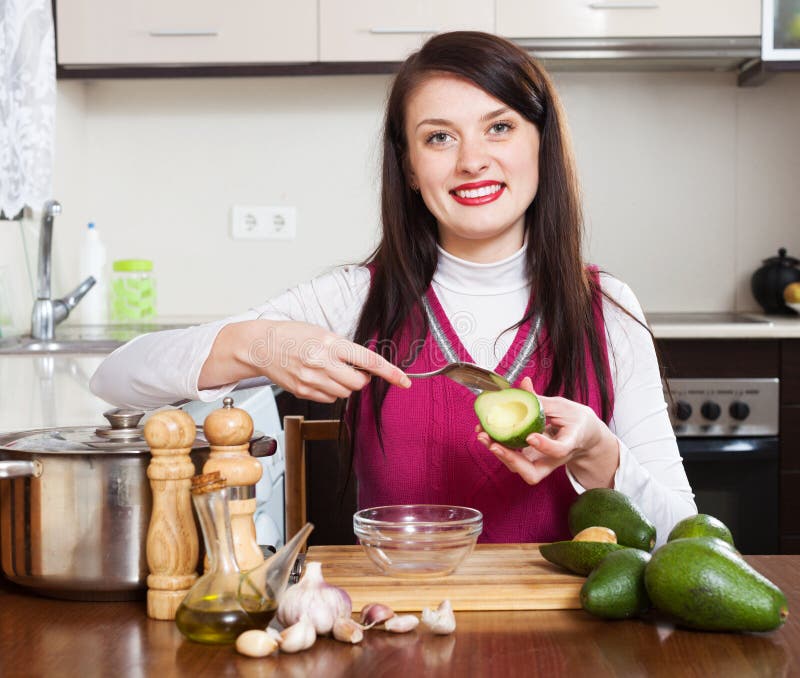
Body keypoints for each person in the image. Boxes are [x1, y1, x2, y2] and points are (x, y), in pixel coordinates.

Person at [91, 31, 695, 546]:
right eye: (439, 137)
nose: (472, 160)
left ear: (541, 142)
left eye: (500, 127)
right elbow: (116, 377)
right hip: (401, 629)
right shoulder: (353, 299)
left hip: (569, 638)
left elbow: (686, 535)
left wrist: (596, 453)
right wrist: (258, 344)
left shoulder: (605, 307)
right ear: (408, 166)